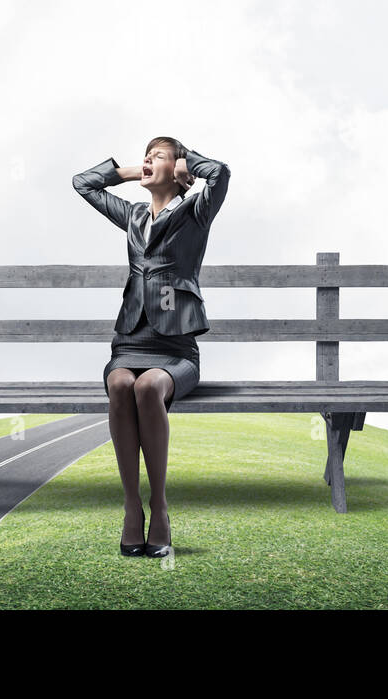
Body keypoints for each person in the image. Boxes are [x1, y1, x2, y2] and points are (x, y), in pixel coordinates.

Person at [72, 138, 230, 558]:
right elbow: (83, 184)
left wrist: (184, 164)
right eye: (147, 154)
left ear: (178, 170)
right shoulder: (133, 214)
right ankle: (130, 507)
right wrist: (128, 172)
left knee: (147, 388)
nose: (147, 160)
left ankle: (158, 507)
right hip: (129, 343)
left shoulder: (196, 211)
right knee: (122, 384)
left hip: (176, 352)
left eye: (155, 155)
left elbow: (221, 173)